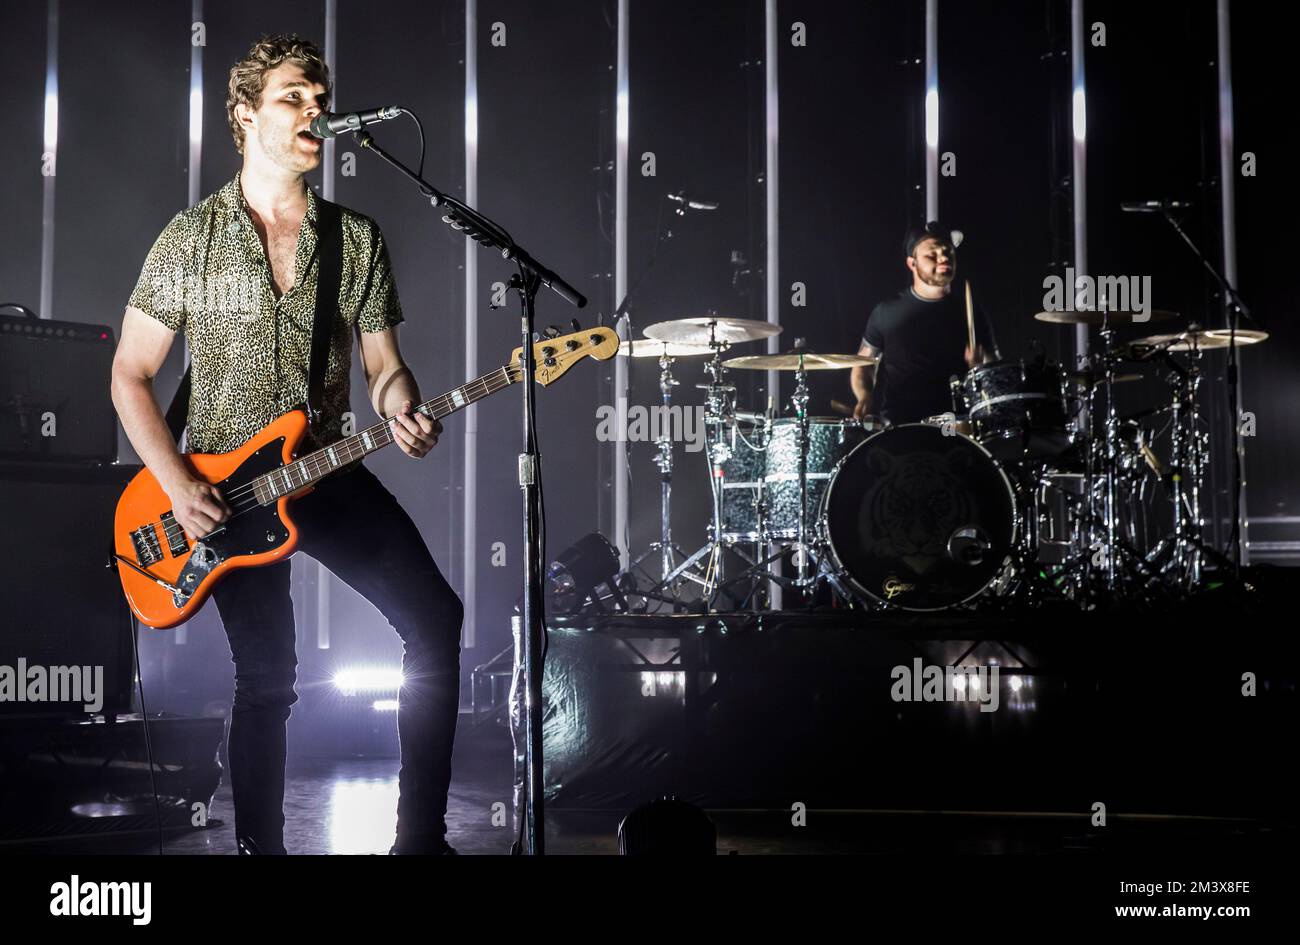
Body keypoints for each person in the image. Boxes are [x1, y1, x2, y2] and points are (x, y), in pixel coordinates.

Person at [110, 34, 461, 855]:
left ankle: (420, 841)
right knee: (268, 680)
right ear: (245, 116)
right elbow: (130, 375)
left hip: (323, 468)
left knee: (435, 620)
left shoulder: (357, 239)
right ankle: (259, 851)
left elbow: (386, 369)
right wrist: (174, 482)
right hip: (220, 491)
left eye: (320, 96)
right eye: (294, 97)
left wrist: (404, 408)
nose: (316, 112)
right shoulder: (188, 241)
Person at [850, 222, 999, 424]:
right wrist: (864, 396)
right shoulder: (886, 312)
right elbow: (864, 365)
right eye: (932, 253)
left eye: (948, 252)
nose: (944, 257)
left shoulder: (971, 310)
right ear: (912, 263)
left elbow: (996, 371)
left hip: (957, 427)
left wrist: (979, 369)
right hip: (900, 425)